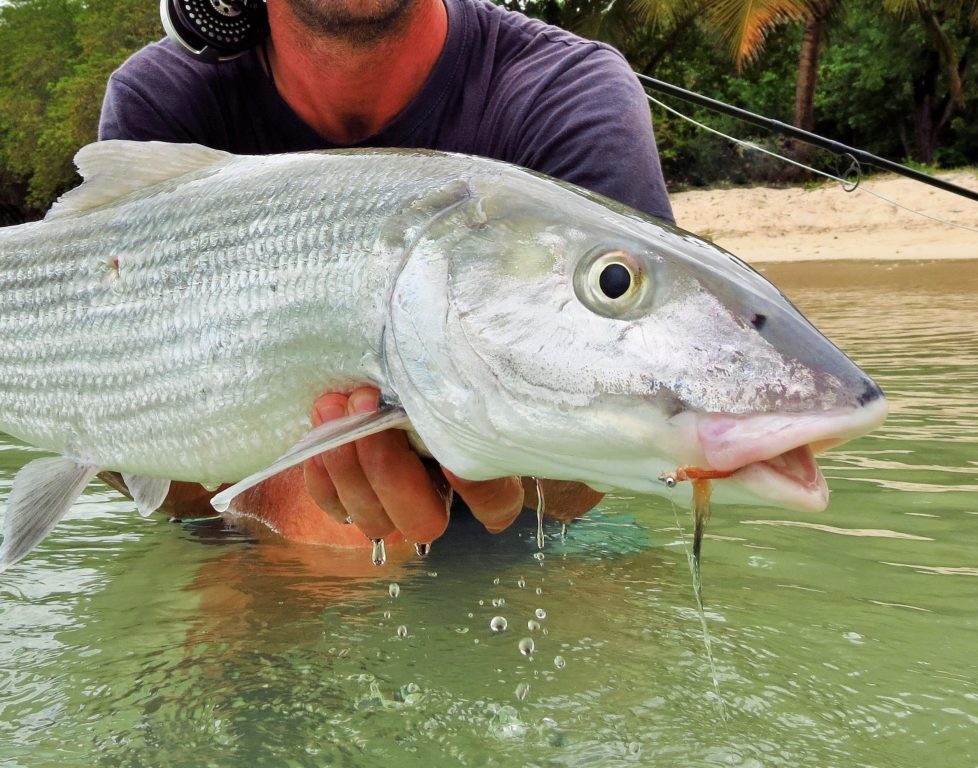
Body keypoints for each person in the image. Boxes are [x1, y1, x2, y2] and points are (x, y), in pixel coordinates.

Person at [98, 0, 673, 551]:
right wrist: (284, 498)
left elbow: (610, 454)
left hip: (514, 532)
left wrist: (486, 455)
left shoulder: (566, 90)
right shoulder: (163, 99)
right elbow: (126, 443)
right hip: (246, 533)